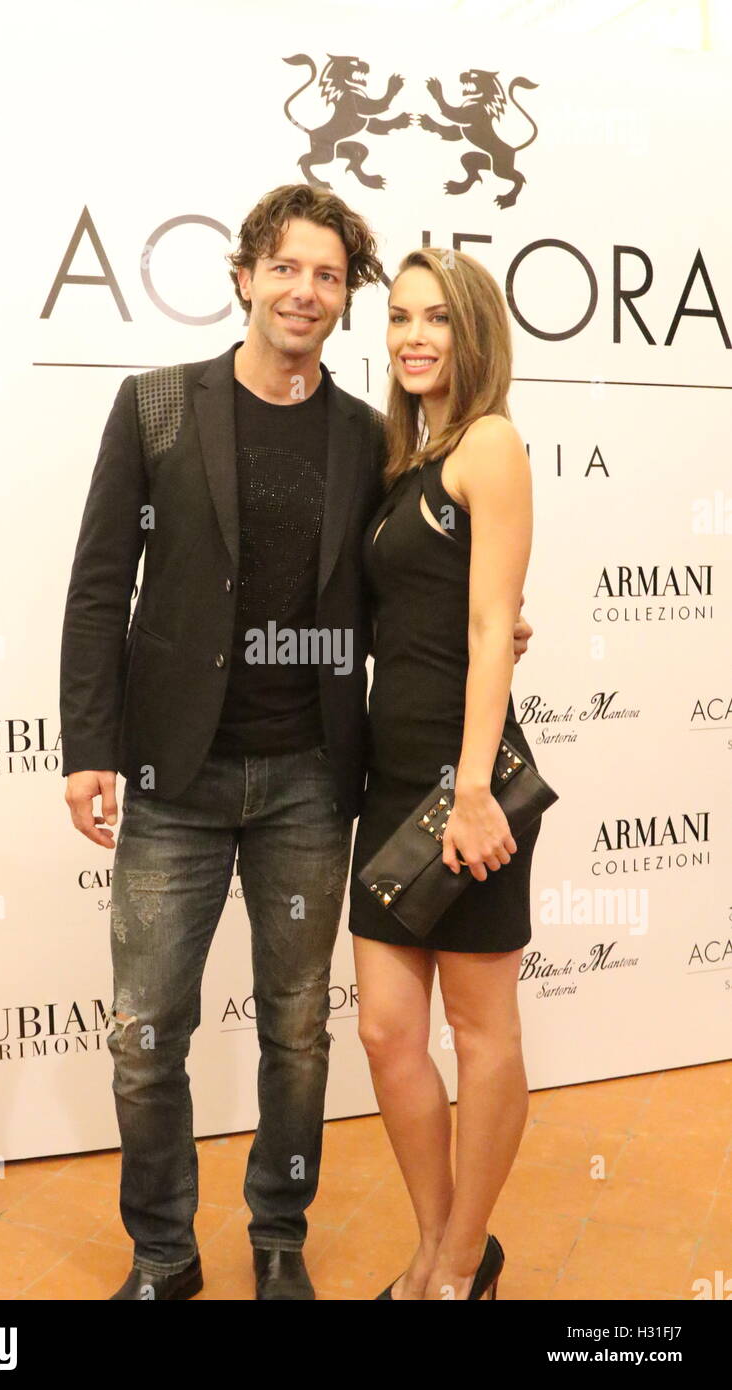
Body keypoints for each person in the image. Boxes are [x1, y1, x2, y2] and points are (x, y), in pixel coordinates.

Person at [59, 185, 535, 1301]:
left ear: (342, 297)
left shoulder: (369, 437)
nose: (304, 291)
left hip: (315, 783)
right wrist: (89, 744)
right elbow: (96, 588)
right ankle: (164, 1255)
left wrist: (493, 614)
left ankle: (279, 1236)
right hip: (169, 777)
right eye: (285, 269)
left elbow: (400, 583)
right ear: (243, 277)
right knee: (143, 1032)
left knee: (301, 1034)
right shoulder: (157, 407)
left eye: (327, 276)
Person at [348, 246, 544, 1301]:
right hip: (388, 784)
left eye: (434, 318)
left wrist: (471, 789)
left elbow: (482, 628)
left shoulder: (489, 442)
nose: (412, 336)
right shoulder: (403, 465)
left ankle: (461, 1258)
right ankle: (436, 1240)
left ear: (473, 334)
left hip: (464, 787)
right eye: (397, 318)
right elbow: (446, 616)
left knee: (479, 1029)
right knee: (385, 1029)